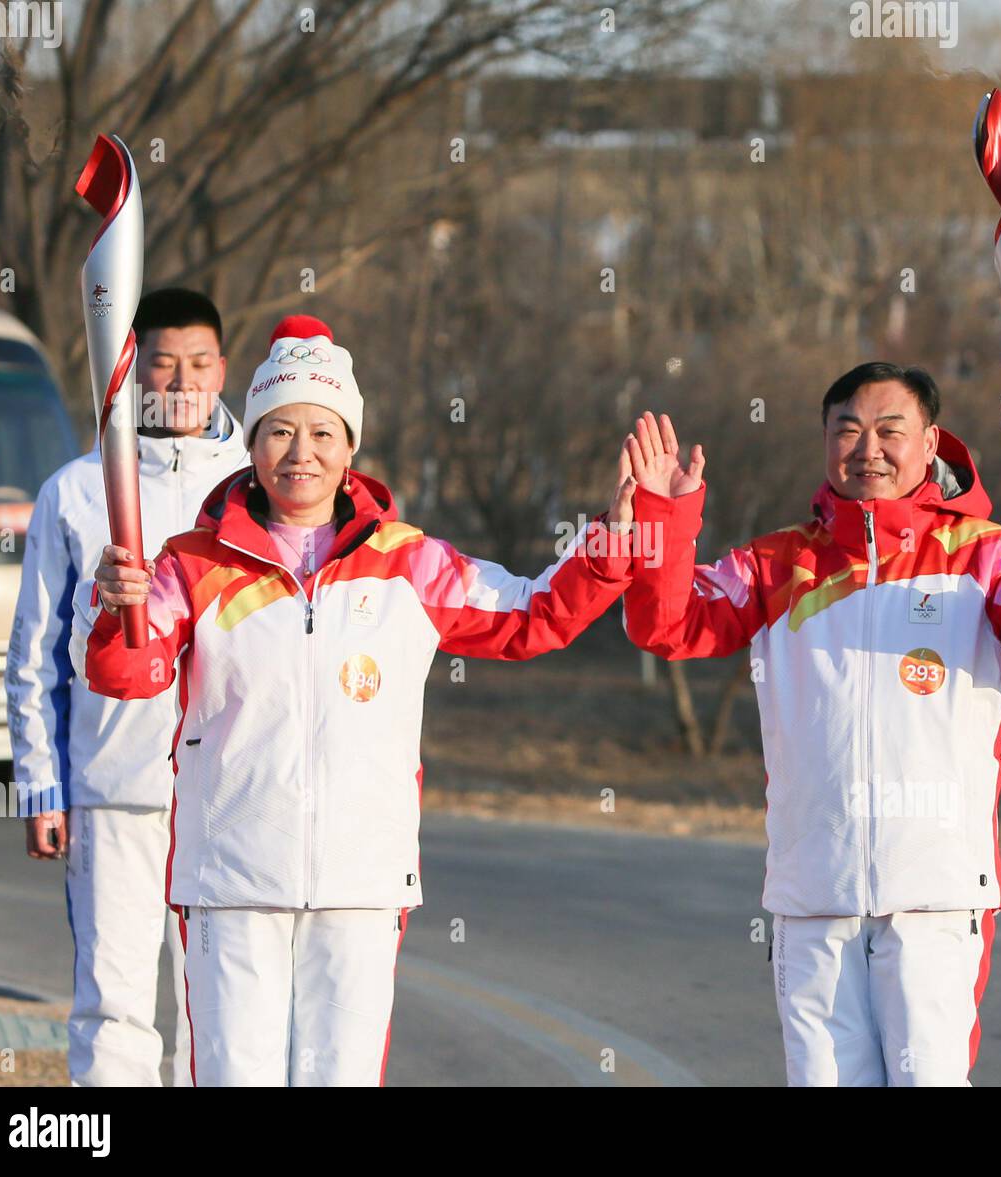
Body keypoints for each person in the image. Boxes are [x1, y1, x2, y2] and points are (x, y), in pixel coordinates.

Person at [77, 314, 636, 1086]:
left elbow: (532, 616)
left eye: (321, 432)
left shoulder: (409, 562)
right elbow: (125, 674)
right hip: (232, 880)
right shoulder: (191, 563)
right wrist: (118, 608)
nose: (299, 453)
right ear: (252, 442)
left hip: (362, 881)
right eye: (278, 431)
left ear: (349, 449)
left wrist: (614, 539)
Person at [619, 363, 1001, 1087]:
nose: (867, 448)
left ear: (930, 441)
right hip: (814, 892)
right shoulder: (777, 562)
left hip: (935, 893)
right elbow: (666, 624)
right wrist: (666, 517)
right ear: (826, 441)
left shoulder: (984, 552)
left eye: (890, 429)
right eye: (847, 429)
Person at [8, 288, 248, 1086]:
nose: (182, 381)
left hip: (231, 795)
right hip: (113, 790)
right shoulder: (77, 492)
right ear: (133, 372)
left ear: (224, 369)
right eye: (163, 364)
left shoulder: (261, 489)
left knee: (217, 1009)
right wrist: (42, 786)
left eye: (200, 364)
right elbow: (34, 654)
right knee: (114, 1006)